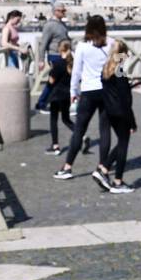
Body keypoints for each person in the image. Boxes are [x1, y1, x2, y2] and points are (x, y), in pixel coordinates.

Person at [54, 15, 111, 180]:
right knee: (105, 130)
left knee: (79, 129)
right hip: (107, 90)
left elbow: (76, 72)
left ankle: (67, 167)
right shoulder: (113, 43)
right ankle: (101, 166)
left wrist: (73, 92)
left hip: (88, 91)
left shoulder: (82, 46)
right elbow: (121, 66)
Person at [95, 39, 140, 193]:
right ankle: (117, 181)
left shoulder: (106, 68)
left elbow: (112, 90)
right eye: (126, 54)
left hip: (110, 111)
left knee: (121, 142)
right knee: (123, 145)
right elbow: (125, 99)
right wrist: (132, 122)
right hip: (121, 112)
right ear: (122, 54)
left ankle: (103, 169)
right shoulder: (120, 71)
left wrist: (129, 84)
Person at [34, 3, 71, 112]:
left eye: (64, 11)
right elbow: (44, 43)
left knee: (59, 81)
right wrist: (41, 60)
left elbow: (66, 39)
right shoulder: (49, 25)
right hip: (54, 55)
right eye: (62, 11)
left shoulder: (62, 24)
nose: (64, 12)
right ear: (55, 11)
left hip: (63, 56)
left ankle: (53, 103)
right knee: (53, 81)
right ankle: (41, 104)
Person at [45, 39, 75, 154]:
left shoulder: (57, 63)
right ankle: (81, 135)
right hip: (67, 95)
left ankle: (55, 146)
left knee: (54, 119)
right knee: (66, 119)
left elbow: (51, 81)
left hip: (56, 95)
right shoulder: (72, 63)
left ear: (60, 49)